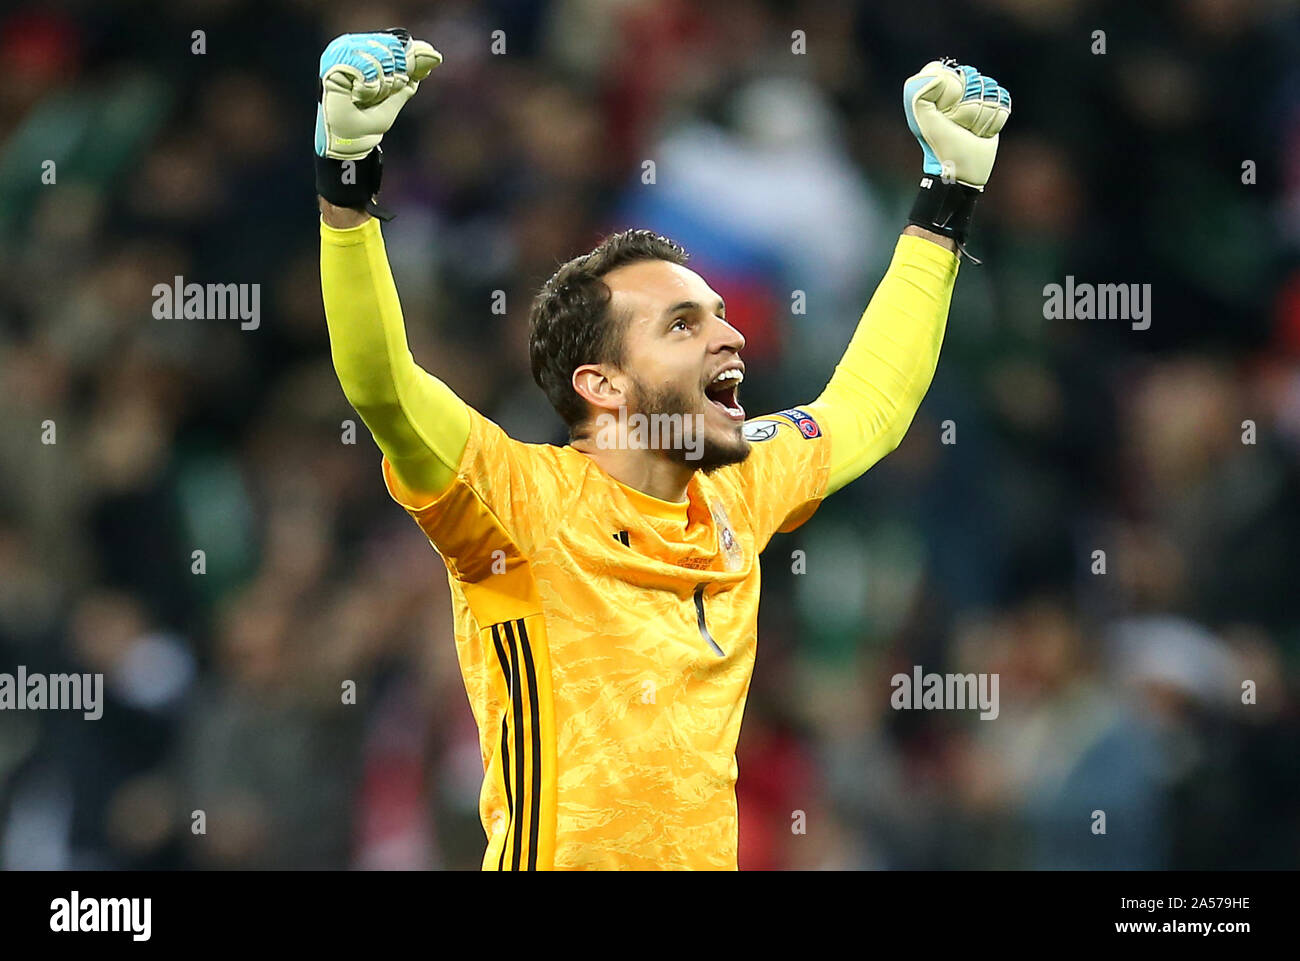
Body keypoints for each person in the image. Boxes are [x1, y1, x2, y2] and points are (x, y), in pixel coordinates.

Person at [315, 30, 1010, 870]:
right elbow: (383, 386)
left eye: (720, 316)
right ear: (602, 384)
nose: (731, 338)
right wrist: (347, 184)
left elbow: (870, 407)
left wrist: (947, 199)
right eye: (685, 325)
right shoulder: (513, 500)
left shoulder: (740, 487)